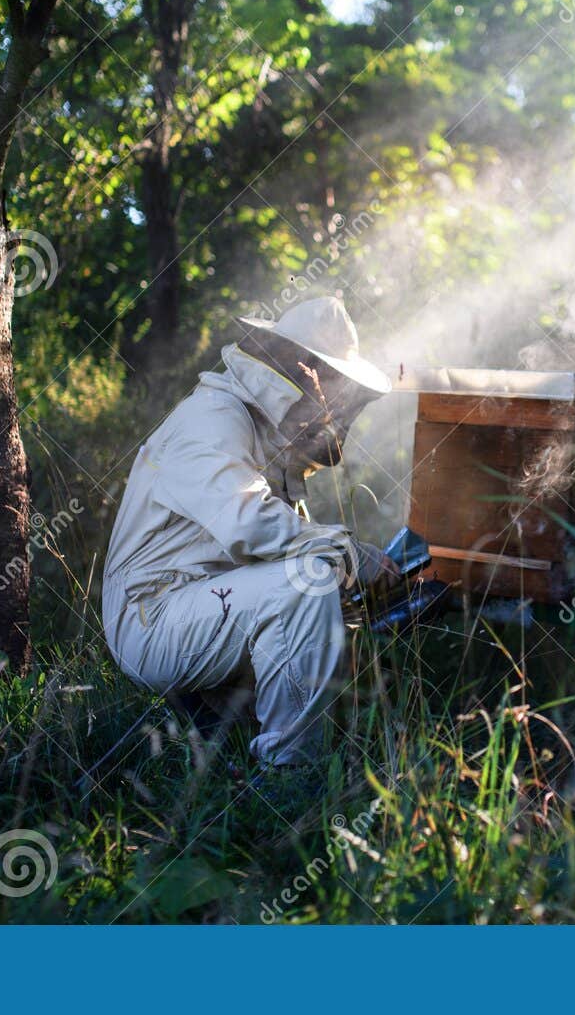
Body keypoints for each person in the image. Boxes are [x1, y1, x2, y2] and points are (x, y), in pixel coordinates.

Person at [102, 297, 399, 778]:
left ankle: (245, 725)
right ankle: (289, 775)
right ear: (301, 370)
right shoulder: (213, 418)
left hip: (199, 606)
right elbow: (248, 525)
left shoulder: (265, 433)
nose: (333, 403)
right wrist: (349, 555)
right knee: (305, 586)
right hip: (153, 618)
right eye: (331, 384)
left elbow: (278, 547)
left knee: (316, 587)